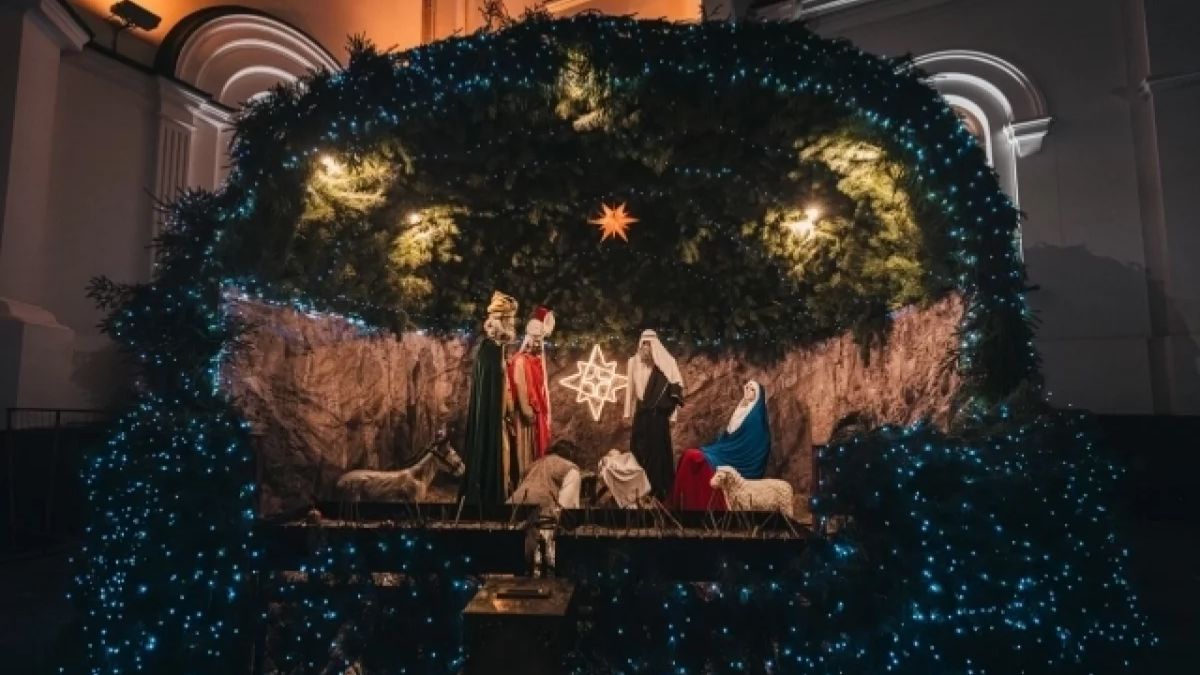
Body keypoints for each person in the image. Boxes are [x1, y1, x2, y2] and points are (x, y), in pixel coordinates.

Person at [670, 381, 771, 511]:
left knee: (692, 457)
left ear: (757, 395)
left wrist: (721, 452)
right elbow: (728, 440)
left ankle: (700, 506)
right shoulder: (741, 410)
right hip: (725, 451)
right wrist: (718, 449)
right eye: (746, 387)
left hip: (738, 460)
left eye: (752, 389)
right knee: (688, 455)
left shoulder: (756, 419)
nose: (747, 390)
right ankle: (684, 505)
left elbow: (749, 448)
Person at [459, 290, 517, 507]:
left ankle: (500, 491)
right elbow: (492, 390)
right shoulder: (489, 351)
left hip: (500, 417)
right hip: (494, 417)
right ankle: (489, 494)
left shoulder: (497, 349)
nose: (512, 324)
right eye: (509, 320)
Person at [623, 330, 684, 500]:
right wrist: (627, 412)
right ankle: (638, 491)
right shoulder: (632, 362)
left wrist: (673, 416)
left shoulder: (666, 363)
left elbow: (675, 388)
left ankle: (658, 491)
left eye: (649, 344)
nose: (645, 347)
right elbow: (630, 388)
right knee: (638, 450)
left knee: (658, 453)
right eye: (643, 343)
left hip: (658, 416)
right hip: (641, 413)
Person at [508, 306, 555, 478]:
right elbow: (519, 384)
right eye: (534, 339)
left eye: (539, 340)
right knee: (525, 450)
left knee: (536, 450)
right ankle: (525, 479)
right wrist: (527, 410)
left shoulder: (535, 361)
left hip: (536, 416)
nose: (537, 343)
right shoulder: (521, 361)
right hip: (525, 417)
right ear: (528, 339)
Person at [507, 439, 581, 516]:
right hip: (540, 516)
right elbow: (565, 509)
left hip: (509, 511)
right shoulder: (570, 468)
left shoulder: (533, 465)